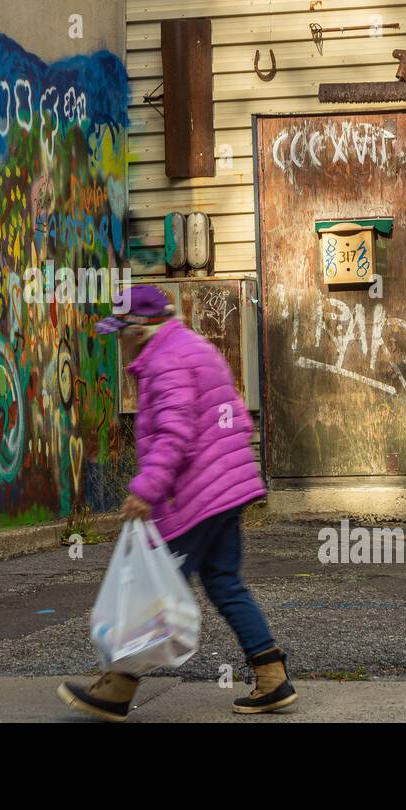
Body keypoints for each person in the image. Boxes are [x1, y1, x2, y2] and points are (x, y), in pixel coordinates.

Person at [58, 284, 297, 722]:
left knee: (153, 592)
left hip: (197, 497)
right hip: (225, 489)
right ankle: (271, 674)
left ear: (143, 326)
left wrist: (147, 488)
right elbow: (238, 418)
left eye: (123, 330)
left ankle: (118, 685)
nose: (120, 340)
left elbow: (175, 434)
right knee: (224, 582)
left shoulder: (165, 361)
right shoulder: (193, 347)